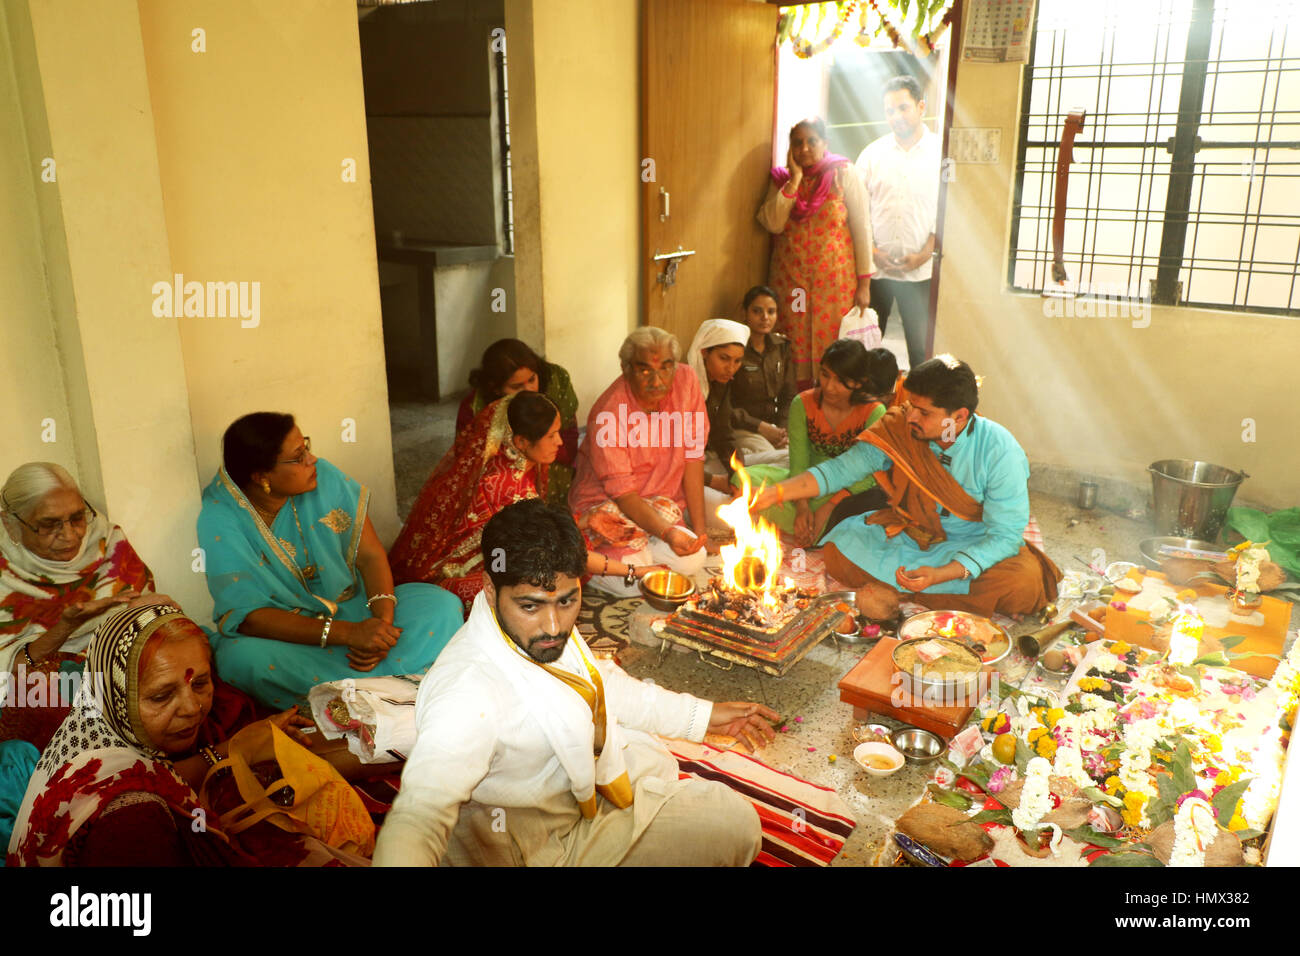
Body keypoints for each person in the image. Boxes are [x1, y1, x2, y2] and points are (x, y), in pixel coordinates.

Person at [373, 499, 777, 867]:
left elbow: (599, 683)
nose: (554, 626)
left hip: (579, 811)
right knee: (724, 820)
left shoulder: (535, 633)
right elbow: (419, 814)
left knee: (725, 816)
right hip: (531, 851)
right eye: (530, 605)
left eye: (567, 600)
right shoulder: (466, 690)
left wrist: (703, 716)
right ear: (489, 589)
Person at [7, 601, 367, 866]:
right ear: (113, 698)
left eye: (202, 683)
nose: (192, 707)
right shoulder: (131, 818)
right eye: (162, 696)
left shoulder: (103, 750)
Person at [750, 356, 1061, 619]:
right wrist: (775, 493)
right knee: (837, 552)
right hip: (909, 536)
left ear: (959, 417)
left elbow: (1005, 536)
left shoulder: (1000, 452)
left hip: (971, 543)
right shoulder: (901, 427)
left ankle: (914, 591)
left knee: (1025, 584)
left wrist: (944, 573)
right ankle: (933, 596)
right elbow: (840, 470)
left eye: (924, 413)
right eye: (911, 405)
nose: (910, 416)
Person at [196, 413, 463, 709]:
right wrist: (350, 634)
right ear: (262, 477)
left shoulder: (322, 476)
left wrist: (380, 627)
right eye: (298, 457)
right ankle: (390, 689)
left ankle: (357, 694)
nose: (312, 460)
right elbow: (249, 618)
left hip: (357, 608)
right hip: (292, 636)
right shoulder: (220, 517)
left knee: (440, 604)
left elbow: (370, 555)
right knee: (241, 660)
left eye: (306, 447)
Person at [389, 392, 659, 613]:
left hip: (498, 555)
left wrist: (586, 521)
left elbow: (539, 531)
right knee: (546, 584)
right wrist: (637, 571)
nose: (559, 443)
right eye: (551, 436)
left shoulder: (511, 461)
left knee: (568, 547)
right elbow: (566, 551)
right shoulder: (509, 487)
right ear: (521, 441)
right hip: (454, 579)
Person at [0, 462, 152, 750]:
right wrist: (65, 627)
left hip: (113, 667)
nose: (70, 536)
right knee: (51, 694)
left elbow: (141, 624)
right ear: (10, 524)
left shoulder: (107, 541)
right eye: (49, 524)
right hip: (31, 693)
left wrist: (157, 610)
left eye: (77, 517)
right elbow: (8, 674)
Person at [569, 327, 711, 597]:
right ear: (626, 368)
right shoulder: (609, 412)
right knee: (633, 584)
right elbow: (624, 495)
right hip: (608, 509)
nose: (657, 380)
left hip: (659, 507)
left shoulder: (686, 381)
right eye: (645, 370)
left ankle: (643, 554)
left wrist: (701, 533)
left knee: (696, 556)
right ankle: (618, 558)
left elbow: (694, 456)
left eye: (666, 368)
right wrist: (669, 534)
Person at [758, 116, 874, 387]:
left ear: (825, 143)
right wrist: (795, 180)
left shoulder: (843, 173)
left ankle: (835, 402)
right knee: (794, 338)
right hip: (792, 282)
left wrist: (864, 284)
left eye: (812, 141)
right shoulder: (781, 180)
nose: (805, 148)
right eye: (797, 143)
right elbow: (773, 223)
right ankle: (799, 404)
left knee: (833, 342)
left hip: (835, 283)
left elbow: (862, 227)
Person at [746, 341, 895, 547]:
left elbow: (867, 475)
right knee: (745, 480)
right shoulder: (802, 403)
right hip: (804, 481)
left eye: (841, 381)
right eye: (825, 375)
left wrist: (831, 506)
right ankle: (806, 529)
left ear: (860, 382)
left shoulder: (874, 412)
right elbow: (798, 463)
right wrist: (802, 507)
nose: (829, 387)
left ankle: (807, 530)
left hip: (846, 491)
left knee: (856, 516)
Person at [855, 75, 941, 370]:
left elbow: (950, 212)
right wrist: (873, 252)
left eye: (903, 108)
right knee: (866, 350)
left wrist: (924, 253)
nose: (896, 117)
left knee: (921, 352)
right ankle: (870, 411)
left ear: (921, 107)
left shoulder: (943, 154)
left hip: (921, 273)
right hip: (877, 272)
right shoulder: (871, 155)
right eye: (890, 111)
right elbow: (856, 212)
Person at [455, 339, 580, 509]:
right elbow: (468, 463)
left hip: (551, 469)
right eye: (516, 386)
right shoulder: (477, 412)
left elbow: (569, 439)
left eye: (532, 379)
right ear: (496, 389)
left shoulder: (555, 382)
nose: (529, 389)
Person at [729, 285, 798, 462]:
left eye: (771, 311)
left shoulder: (781, 347)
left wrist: (782, 431)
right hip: (742, 427)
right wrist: (760, 426)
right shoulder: (734, 348)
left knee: (800, 455)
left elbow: (789, 396)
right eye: (757, 311)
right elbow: (723, 406)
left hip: (775, 428)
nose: (765, 317)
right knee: (780, 459)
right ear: (745, 313)